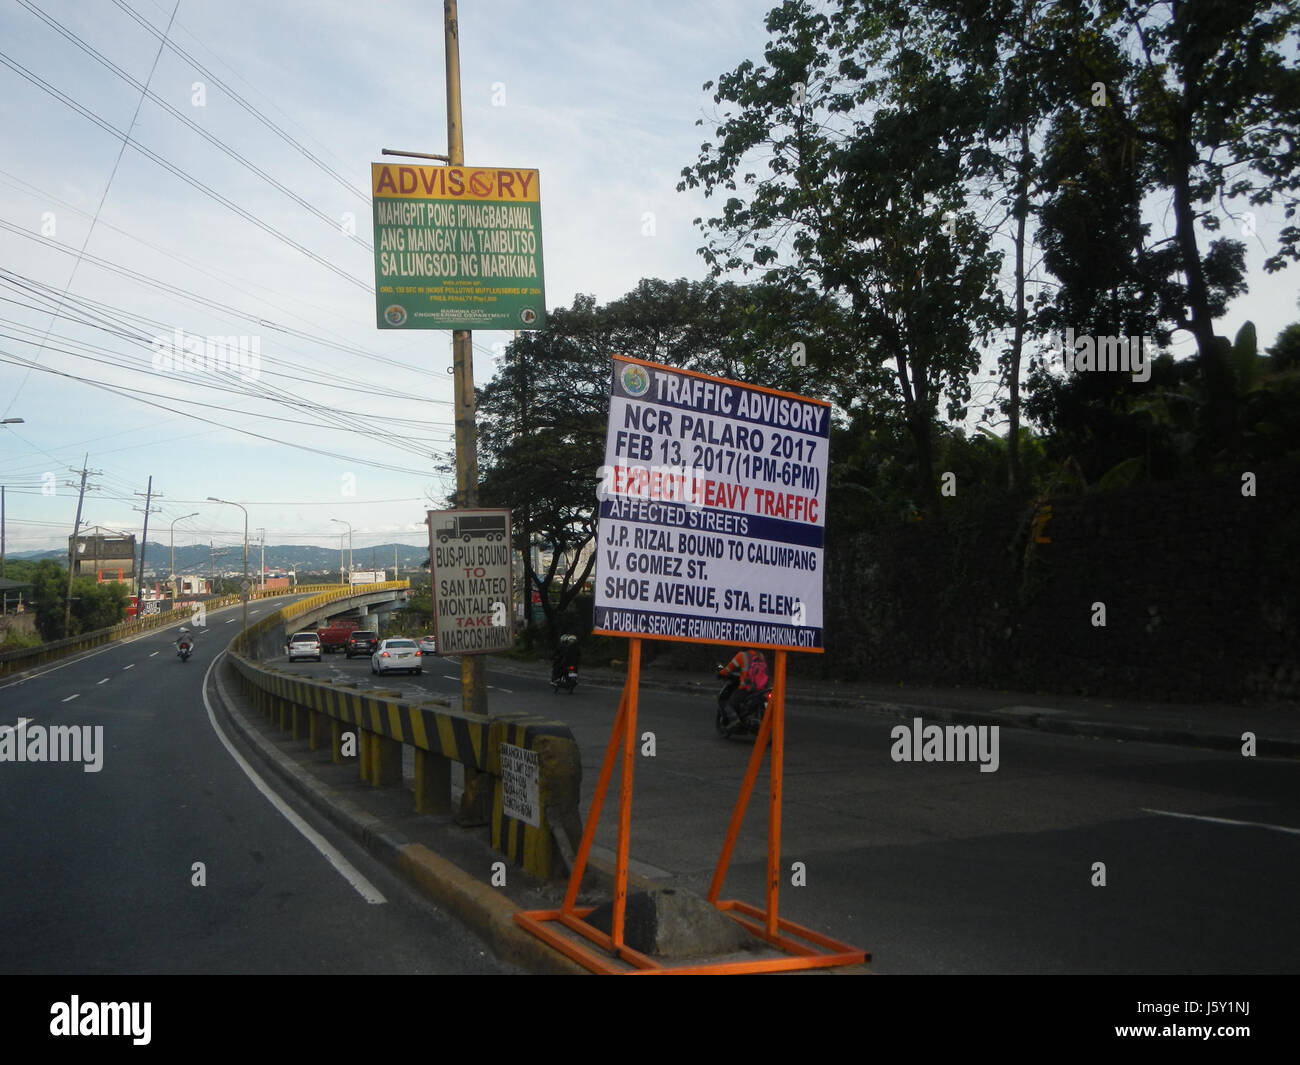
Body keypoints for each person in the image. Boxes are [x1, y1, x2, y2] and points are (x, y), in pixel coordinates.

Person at [717, 647, 769, 732]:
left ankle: (735, 722)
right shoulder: (760, 655)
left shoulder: (742, 655)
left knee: (729, 704)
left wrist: (720, 674)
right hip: (762, 688)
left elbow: (728, 669)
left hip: (747, 689)